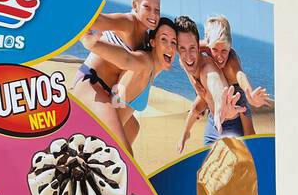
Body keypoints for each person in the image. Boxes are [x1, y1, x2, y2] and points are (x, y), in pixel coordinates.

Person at [71, 0, 161, 148]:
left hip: (109, 93)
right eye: (147, 7)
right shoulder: (128, 22)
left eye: (157, 10)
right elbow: (97, 20)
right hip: (91, 84)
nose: (153, 14)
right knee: (121, 144)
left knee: (133, 128)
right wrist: (88, 36)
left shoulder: (146, 39)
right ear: (135, 5)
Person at [81, 16, 179, 157]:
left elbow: (117, 97)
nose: (170, 46)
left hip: (108, 128)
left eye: (173, 42)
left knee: (134, 127)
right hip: (102, 132)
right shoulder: (145, 63)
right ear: (153, 42)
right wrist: (93, 44)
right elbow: (126, 58)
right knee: (128, 161)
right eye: (163, 39)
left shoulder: (152, 70)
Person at [173, 15, 247, 153]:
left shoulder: (208, 66)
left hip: (229, 122)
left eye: (192, 48)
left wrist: (221, 106)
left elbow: (215, 82)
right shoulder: (185, 60)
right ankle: (186, 134)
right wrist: (194, 83)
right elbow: (183, 61)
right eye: (182, 49)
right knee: (196, 107)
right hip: (213, 123)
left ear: (199, 46)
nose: (188, 55)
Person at [202, 15, 273, 116]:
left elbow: (240, 74)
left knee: (245, 119)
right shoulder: (205, 46)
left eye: (224, 51)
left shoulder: (232, 60)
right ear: (208, 46)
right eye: (215, 50)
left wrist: (251, 95)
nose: (219, 56)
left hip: (237, 91)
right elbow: (185, 51)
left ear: (230, 47)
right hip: (217, 92)